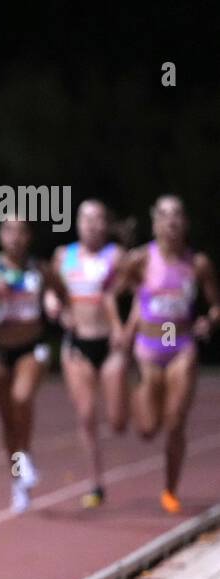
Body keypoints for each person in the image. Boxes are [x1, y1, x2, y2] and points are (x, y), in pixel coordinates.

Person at [110, 195, 219, 513]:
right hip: (149, 349)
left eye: (177, 215)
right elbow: (115, 292)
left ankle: (170, 489)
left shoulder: (197, 264)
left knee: (175, 422)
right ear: (155, 222)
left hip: (181, 347)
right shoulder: (142, 259)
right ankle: (137, 395)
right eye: (164, 215)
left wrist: (208, 320)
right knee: (147, 429)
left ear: (185, 223)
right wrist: (123, 326)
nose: (171, 221)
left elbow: (215, 305)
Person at [0, 217, 64, 513]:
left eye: (21, 231)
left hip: (31, 348)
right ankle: (18, 482)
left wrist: (54, 302)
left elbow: (62, 293)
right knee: (8, 422)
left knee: (21, 398)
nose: (15, 237)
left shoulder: (40, 269)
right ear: (0, 236)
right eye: (9, 231)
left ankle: (26, 457)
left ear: (29, 236)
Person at [47, 199, 128, 508]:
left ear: (106, 224)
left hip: (110, 344)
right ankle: (96, 483)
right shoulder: (64, 256)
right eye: (85, 218)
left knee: (118, 421)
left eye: (98, 219)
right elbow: (51, 291)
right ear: (77, 223)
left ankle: (128, 398)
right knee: (86, 415)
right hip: (77, 343)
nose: (92, 224)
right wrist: (52, 305)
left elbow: (136, 291)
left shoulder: (116, 257)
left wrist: (126, 327)